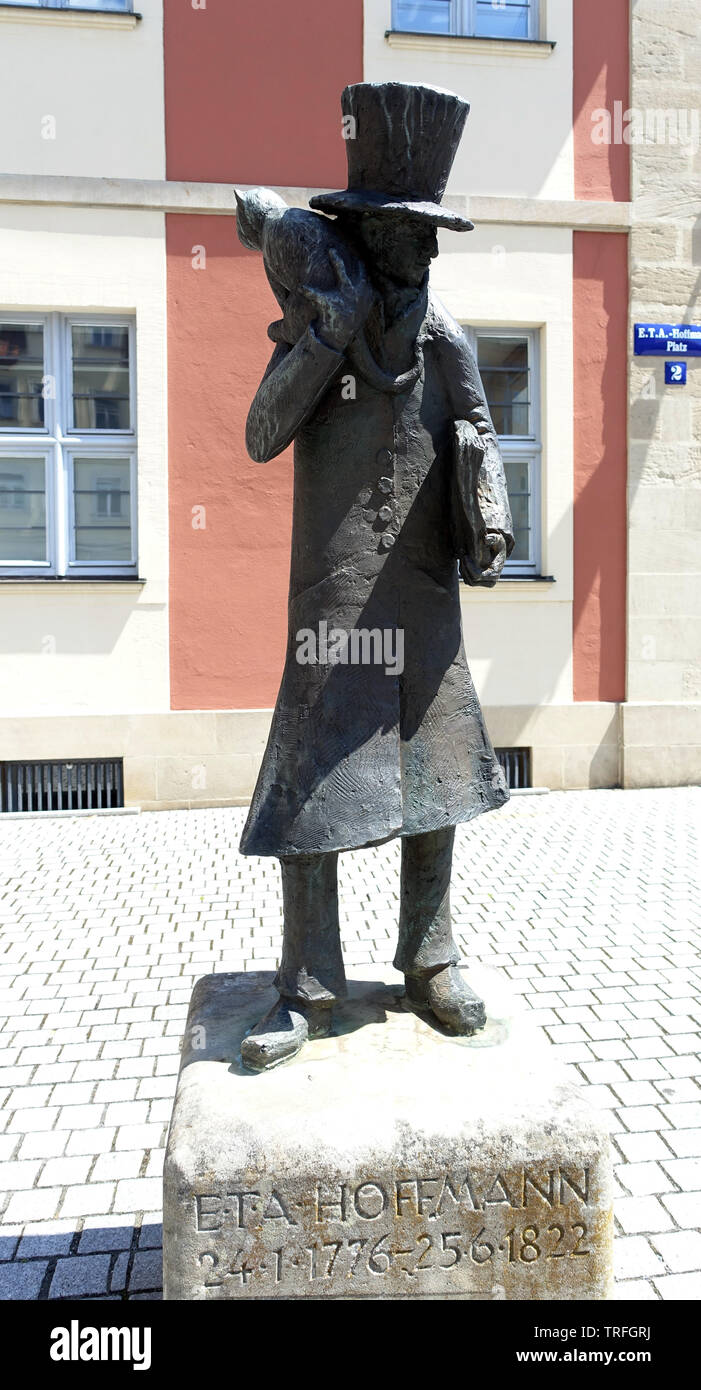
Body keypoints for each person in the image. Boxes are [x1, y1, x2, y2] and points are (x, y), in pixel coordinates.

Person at [236, 82, 514, 1070]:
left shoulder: (447, 344)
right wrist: (320, 336)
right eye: (410, 232)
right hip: (338, 598)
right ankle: (305, 986)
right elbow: (261, 434)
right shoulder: (329, 327)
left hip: (424, 596)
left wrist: (483, 487)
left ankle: (428, 962)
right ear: (368, 232)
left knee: (436, 780)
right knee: (310, 780)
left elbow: (478, 432)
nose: (429, 250)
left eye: (436, 233)